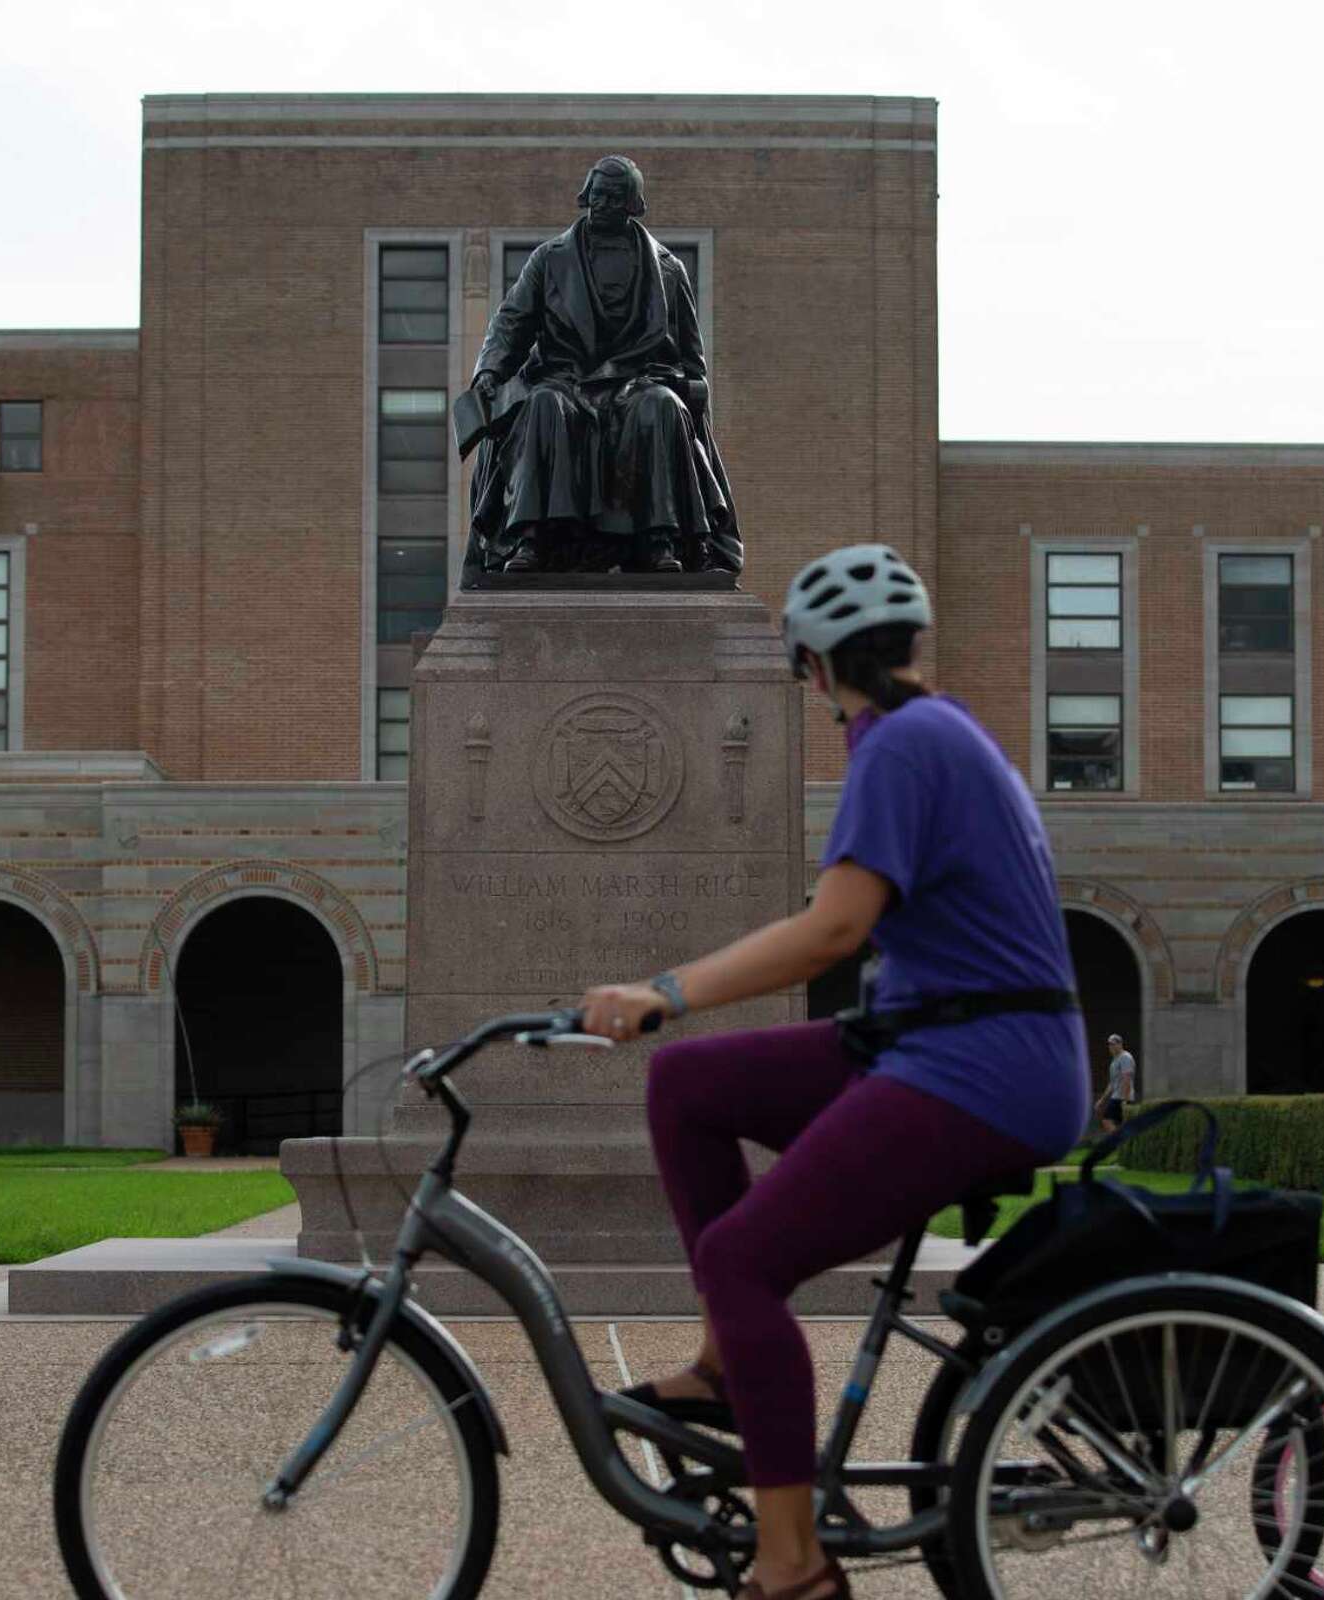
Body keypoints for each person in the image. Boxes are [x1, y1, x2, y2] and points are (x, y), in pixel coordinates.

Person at [580, 543, 1090, 1600]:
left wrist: (663, 990)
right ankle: (728, 1372)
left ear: (814, 672)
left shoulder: (902, 746)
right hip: (937, 1038)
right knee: (688, 1088)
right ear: (910, 644)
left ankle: (794, 1562)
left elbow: (834, 932)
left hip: (979, 1065)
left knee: (743, 1255)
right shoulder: (938, 734)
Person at [464, 155, 743, 577]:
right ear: (585, 197)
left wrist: (691, 387)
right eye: (597, 196)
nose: (603, 205)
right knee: (544, 406)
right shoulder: (548, 259)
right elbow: (511, 323)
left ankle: (661, 540)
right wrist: (489, 372)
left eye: (614, 198)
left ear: (633, 204)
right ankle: (532, 539)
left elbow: (690, 357)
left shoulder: (669, 269)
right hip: (566, 379)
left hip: (638, 383)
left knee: (662, 406)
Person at [1095, 1033, 1137, 1134]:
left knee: (1107, 1121)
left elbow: (1127, 1079)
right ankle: (1122, 1143)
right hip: (1116, 1096)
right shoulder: (1115, 1061)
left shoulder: (1125, 1057)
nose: (1112, 1047)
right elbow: (1112, 1084)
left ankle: (1119, 1143)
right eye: (1110, 1044)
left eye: (1114, 1044)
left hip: (1121, 1098)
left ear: (1120, 1044)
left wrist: (1125, 1101)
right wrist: (1102, 1100)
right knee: (1117, 1124)